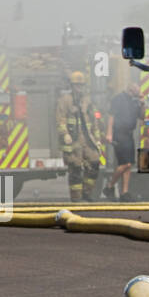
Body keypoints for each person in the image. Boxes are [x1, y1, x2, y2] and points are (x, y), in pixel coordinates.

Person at [56, 71, 102, 203]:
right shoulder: (65, 100)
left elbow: (94, 119)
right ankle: (76, 198)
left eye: (81, 85)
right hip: (73, 140)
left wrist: (97, 139)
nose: (79, 88)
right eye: (77, 85)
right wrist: (65, 134)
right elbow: (60, 118)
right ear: (71, 86)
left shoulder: (87, 100)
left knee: (94, 163)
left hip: (87, 139)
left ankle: (87, 192)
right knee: (75, 168)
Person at [104, 82, 143, 200]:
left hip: (129, 135)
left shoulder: (135, 101)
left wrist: (142, 103)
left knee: (129, 165)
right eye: (137, 90)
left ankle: (124, 193)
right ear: (131, 89)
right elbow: (111, 116)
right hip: (119, 134)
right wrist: (109, 133)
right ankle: (109, 186)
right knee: (124, 163)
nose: (138, 92)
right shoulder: (118, 99)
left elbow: (142, 116)